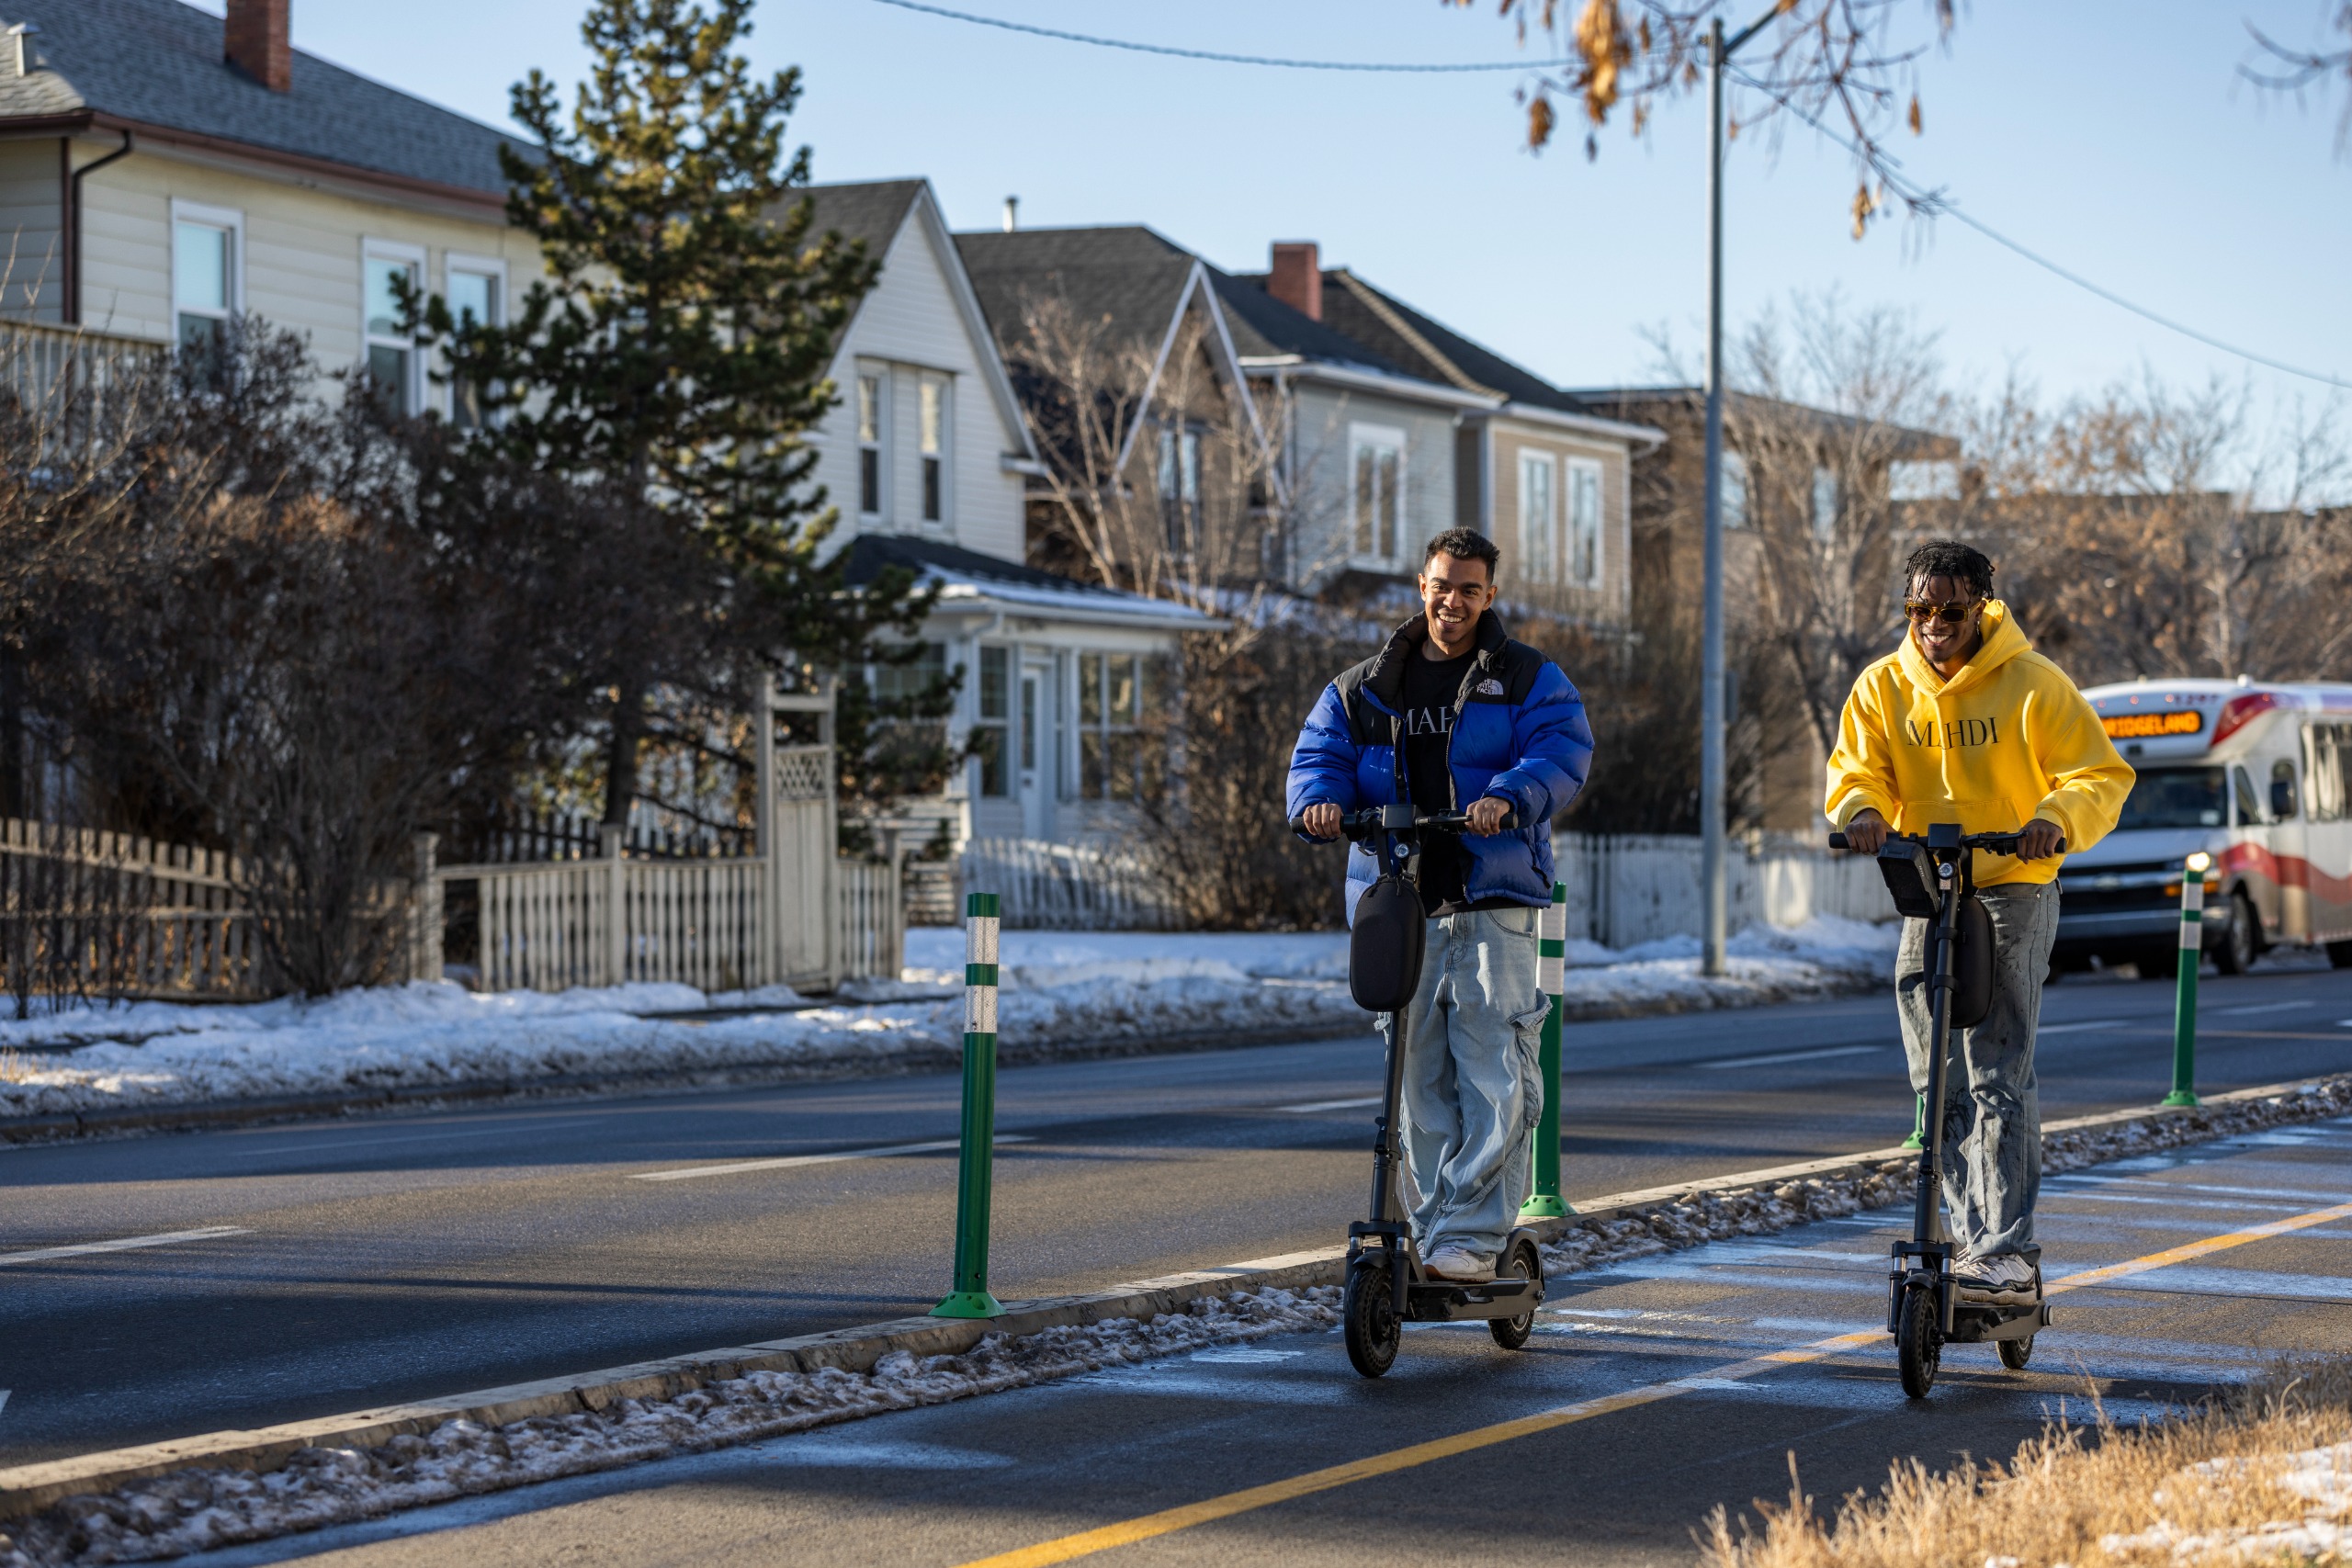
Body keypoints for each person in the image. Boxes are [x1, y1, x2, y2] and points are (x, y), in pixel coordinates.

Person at [1826, 539, 2132, 1304]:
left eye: (1951, 610)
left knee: (1997, 1071)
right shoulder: (1883, 686)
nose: (1934, 623)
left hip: (2012, 889)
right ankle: (1967, 1238)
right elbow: (1856, 769)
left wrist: (2053, 819)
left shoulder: (2032, 684)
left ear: (1981, 607)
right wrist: (1861, 811)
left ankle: (2006, 1250)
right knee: (1940, 1078)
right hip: (1929, 891)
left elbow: (2099, 773)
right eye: (1920, 609)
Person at [1286, 527, 1593, 1282]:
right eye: (1441, 584)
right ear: (1420, 585)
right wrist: (1322, 805)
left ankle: (1476, 1231)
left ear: (1490, 595)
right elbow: (1316, 758)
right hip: (1400, 901)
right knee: (1415, 1074)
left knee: (1493, 1064)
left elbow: (1561, 750)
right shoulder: (1363, 686)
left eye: (1468, 589)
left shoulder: (1527, 677)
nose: (1452, 601)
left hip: (1493, 896)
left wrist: (1508, 795)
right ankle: (1435, 1225)